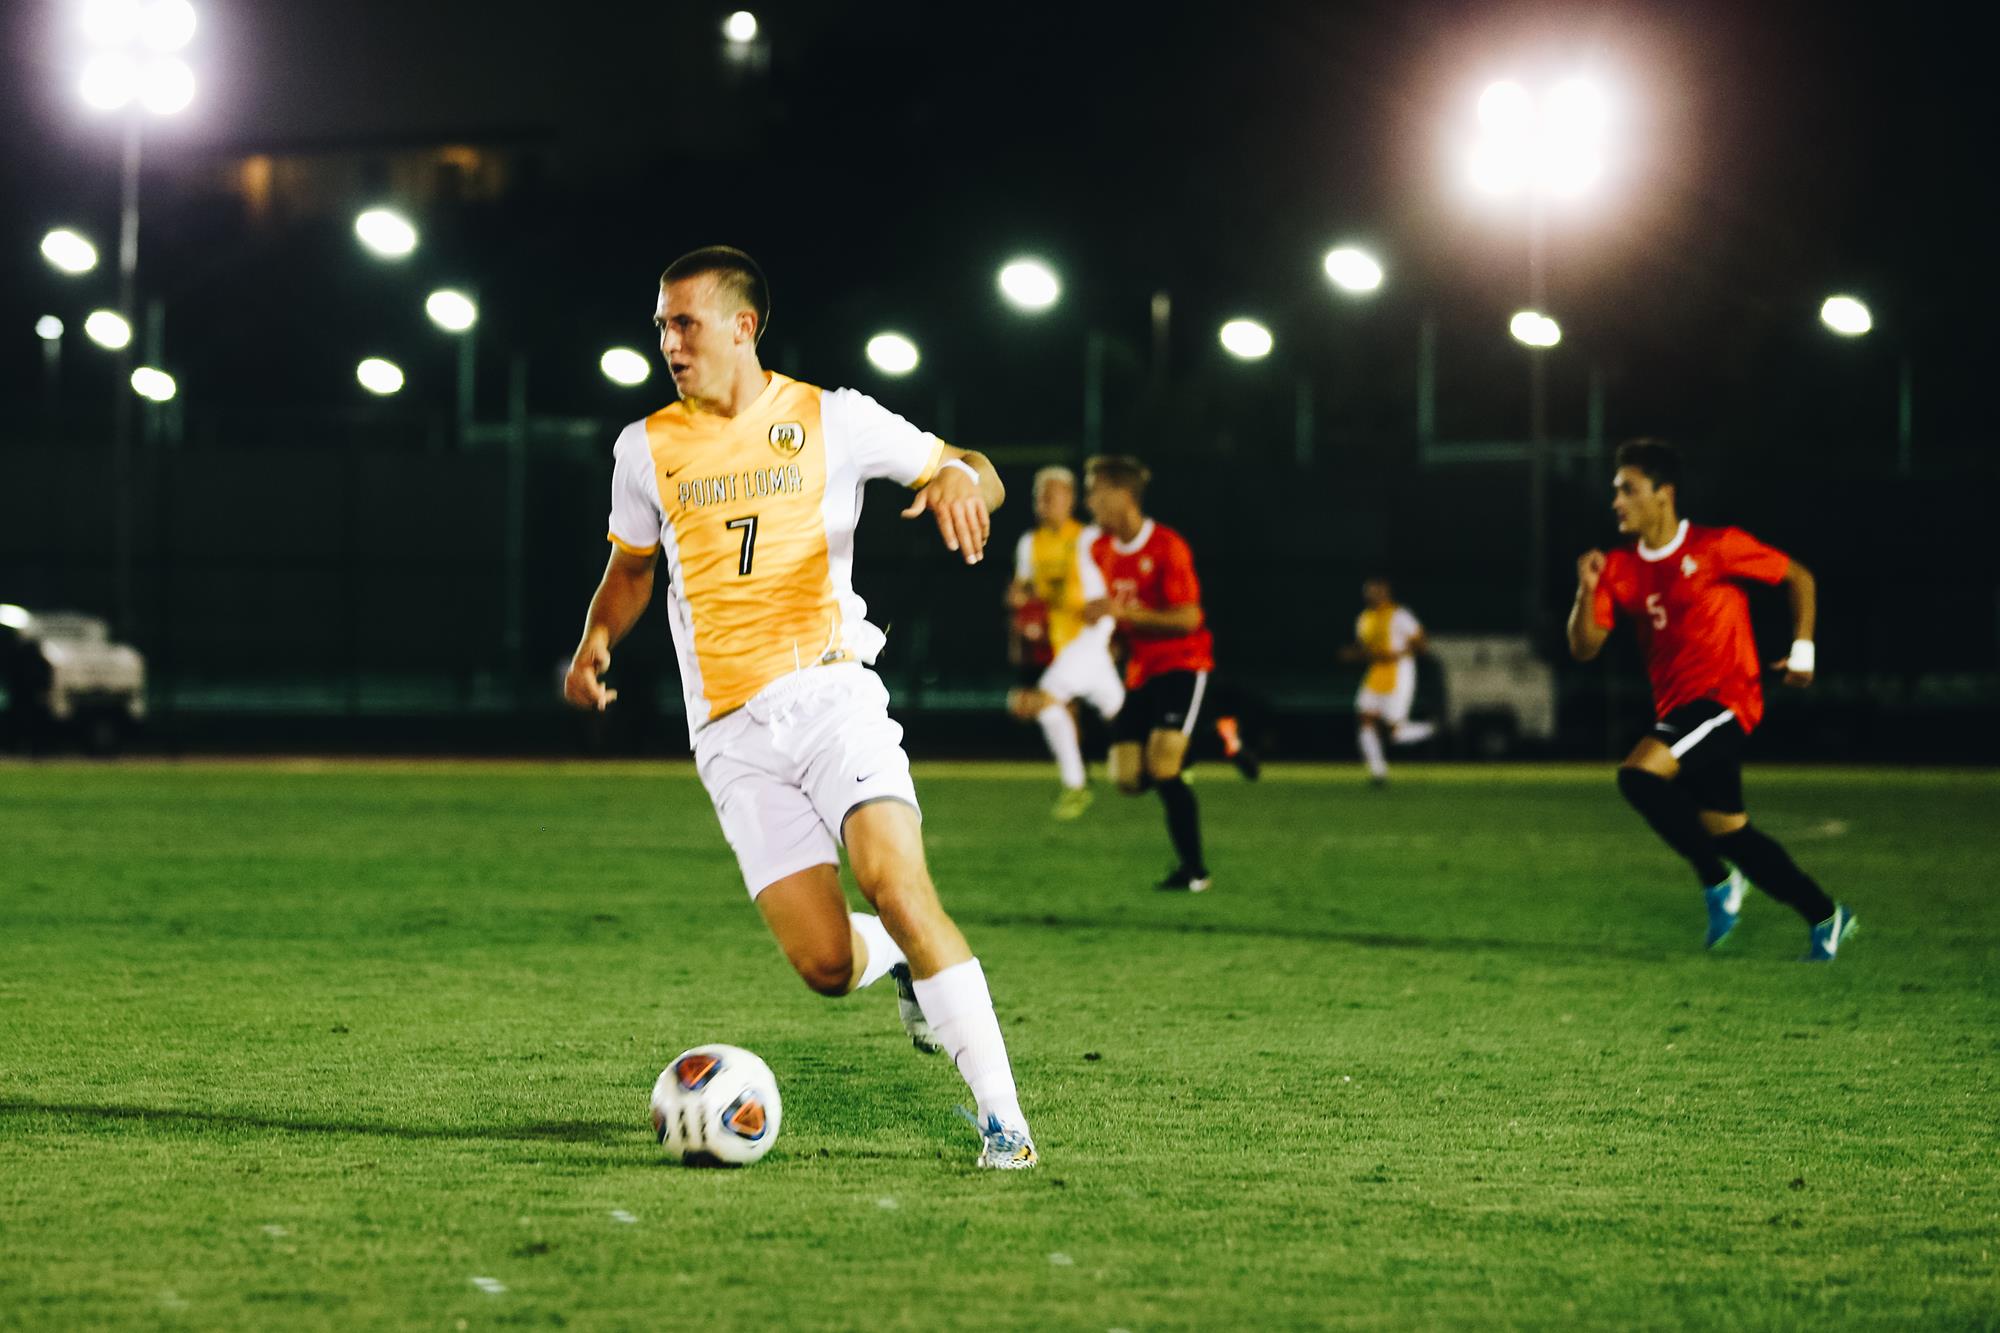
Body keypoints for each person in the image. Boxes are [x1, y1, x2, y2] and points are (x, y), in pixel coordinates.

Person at [563, 246, 1037, 1167]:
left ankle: (1003, 1119)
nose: (668, 340)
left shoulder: (834, 417)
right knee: (824, 965)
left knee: (897, 882)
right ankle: (896, 960)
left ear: (744, 325)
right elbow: (629, 569)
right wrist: (597, 640)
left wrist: (957, 479)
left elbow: (978, 468)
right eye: (662, 323)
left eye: (684, 321)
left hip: (832, 692)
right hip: (731, 733)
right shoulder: (645, 446)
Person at [1567, 438, 1855, 961]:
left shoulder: (1715, 545)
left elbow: (1798, 577)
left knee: (1638, 774)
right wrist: (1587, 591)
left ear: (1663, 494)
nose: (1616, 502)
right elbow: (1585, 648)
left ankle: (1718, 881)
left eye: (1627, 490)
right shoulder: (1617, 568)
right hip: (1678, 712)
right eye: (1615, 492)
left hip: (1726, 700)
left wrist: (1804, 651)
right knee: (1729, 831)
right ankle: (1826, 915)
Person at [1081, 455, 1217, 892]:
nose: (1089, 500)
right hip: (1139, 672)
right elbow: (1123, 618)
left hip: (1182, 665)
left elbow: (1189, 618)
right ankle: (1188, 752)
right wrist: (1113, 634)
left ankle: (1195, 872)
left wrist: (1124, 612)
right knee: (1125, 779)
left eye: (1095, 491)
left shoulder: (1166, 546)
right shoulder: (1099, 549)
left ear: (1122, 495)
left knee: (1162, 766)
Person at [1006, 466, 1125, 819]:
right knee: (1119, 711)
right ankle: (1179, 761)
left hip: (1091, 635)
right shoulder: (1029, 544)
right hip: (1064, 644)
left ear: (1070, 499)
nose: (1044, 503)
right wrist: (1018, 600)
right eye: (1039, 496)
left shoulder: (1089, 538)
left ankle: (1076, 785)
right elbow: (1024, 592)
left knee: (1043, 702)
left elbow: (1112, 584)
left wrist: (1115, 624)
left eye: (1051, 495)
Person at [1339, 578, 1435, 784]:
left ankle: (1432, 729)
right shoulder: (1364, 618)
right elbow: (1366, 651)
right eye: (1369, 592)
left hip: (1399, 673)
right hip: (1376, 673)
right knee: (1365, 719)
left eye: (1377, 591)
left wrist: (1398, 654)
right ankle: (1378, 772)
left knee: (1394, 733)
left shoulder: (1400, 616)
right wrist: (1353, 655)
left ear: (1386, 593)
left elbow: (1422, 644)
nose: (1372, 595)